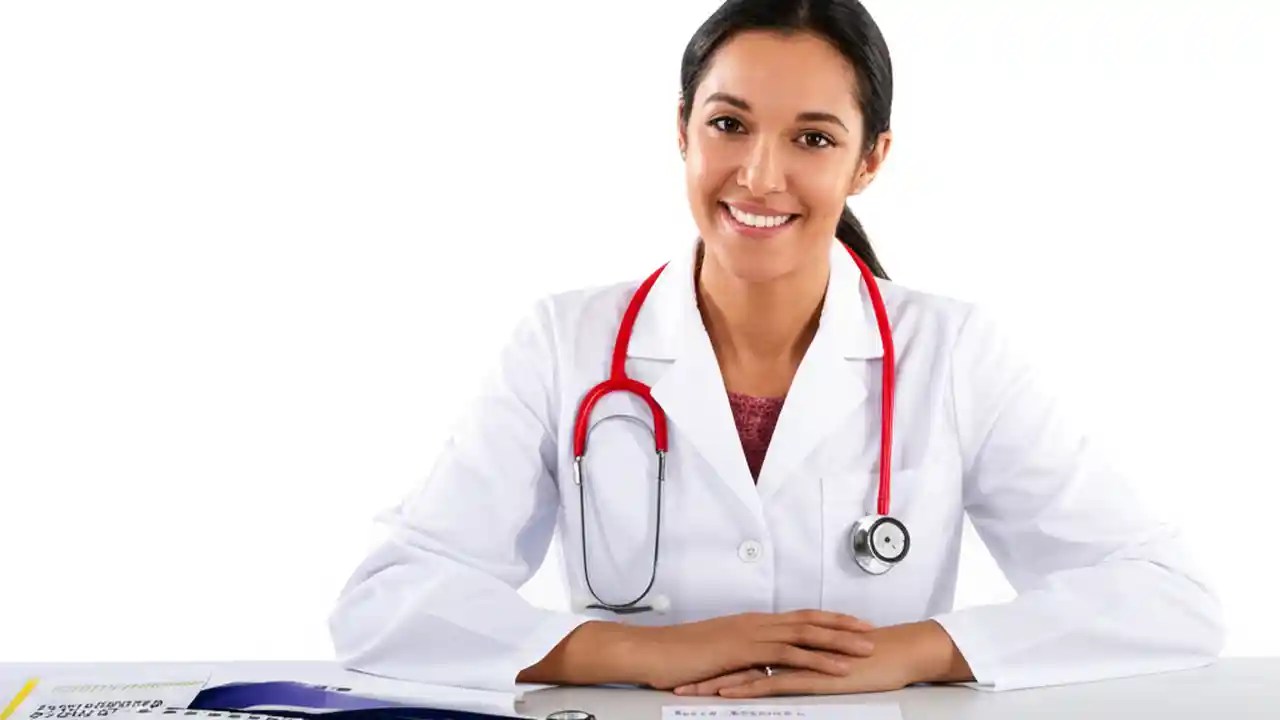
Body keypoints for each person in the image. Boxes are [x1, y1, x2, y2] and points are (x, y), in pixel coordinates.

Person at [328, 0, 1224, 697]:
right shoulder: (567, 344)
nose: (760, 175)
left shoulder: (951, 352)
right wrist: (648, 652)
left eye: (813, 138)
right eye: (728, 124)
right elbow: (389, 601)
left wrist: (912, 653)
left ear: (869, 160)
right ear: (681, 128)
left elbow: (1164, 599)